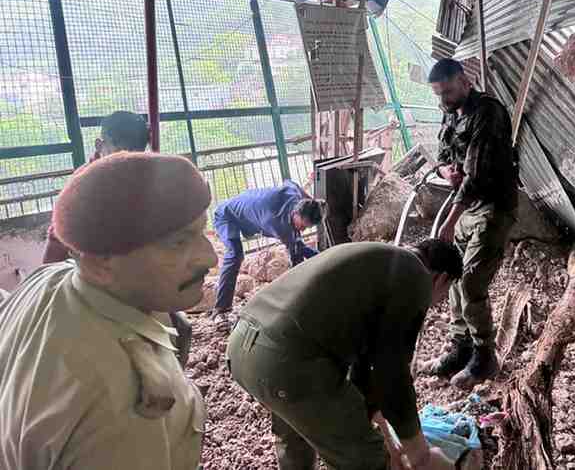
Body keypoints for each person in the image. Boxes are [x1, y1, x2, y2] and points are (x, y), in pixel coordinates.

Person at [0, 152, 216, 469]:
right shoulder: (123, 408)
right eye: (177, 242)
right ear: (101, 263)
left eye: (202, 230)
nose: (209, 258)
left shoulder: (46, 280)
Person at [226, 239, 462, 470]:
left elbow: (365, 367)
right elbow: (392, 373)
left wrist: (384, 435)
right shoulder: (416, 276)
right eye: (444, 294)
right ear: (441, 279)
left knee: (297, 434)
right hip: (289, 362)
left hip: (244, 348)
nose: (438, 302)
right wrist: (420, 455)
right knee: (365, 460)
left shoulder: (380, 262)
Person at [420, 58, 518, 390]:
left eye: (447, 91)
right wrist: (444, 171)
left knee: (473, 280)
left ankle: (484, 357)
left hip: (493, 206)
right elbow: (444, 156)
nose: (443, 100)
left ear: (464, 81)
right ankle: (460, 347)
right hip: (467, 205)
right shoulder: (451, 110)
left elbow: (475, 178)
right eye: (438, 94)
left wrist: (448, 222)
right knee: (454, 276)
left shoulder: (487, 113)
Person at [42, 110, 150, 264]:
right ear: (99, 145)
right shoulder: (83, 184)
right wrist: (51, 272)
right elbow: (58, 238)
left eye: (135, 157)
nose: (127, 165)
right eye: (119, 157)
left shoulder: (141, 176)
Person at [211, 180, 324, 318]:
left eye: (307, 227)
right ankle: (221, 308)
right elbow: (295, 257)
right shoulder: (276, 223)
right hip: (226, 216)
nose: (303, 229)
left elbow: (290, 182)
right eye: (302, 225)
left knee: (299, 244)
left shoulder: (294, 196)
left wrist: (312, 202)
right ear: (296, 212)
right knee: (235, 254)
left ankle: (324, 259)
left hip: (246, 208)